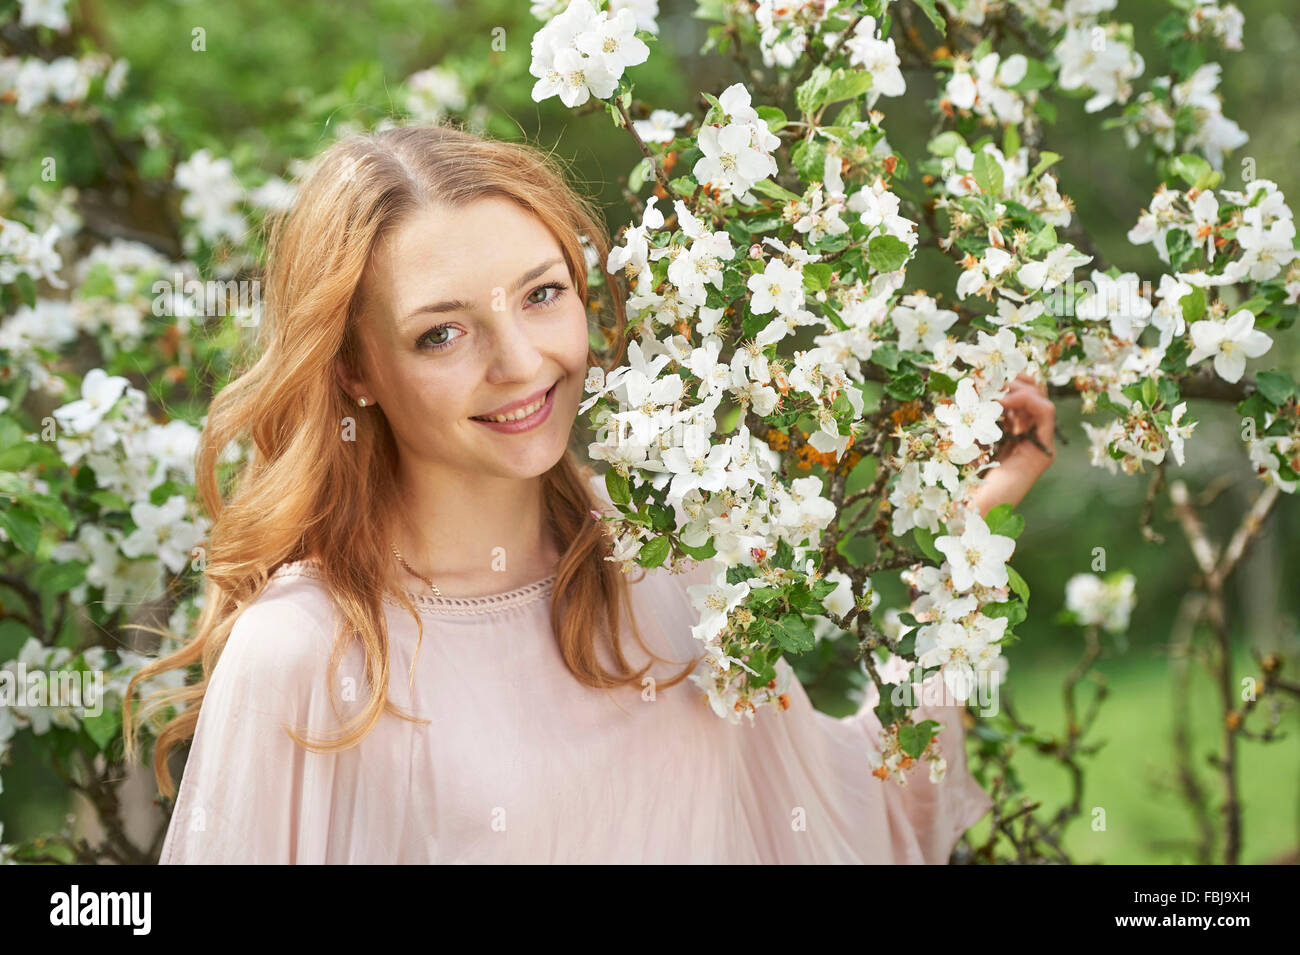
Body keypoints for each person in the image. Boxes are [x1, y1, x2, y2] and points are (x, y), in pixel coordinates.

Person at [125, 121, 1056, 864]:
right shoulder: (304, 652)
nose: (523, 364)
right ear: (357, 368)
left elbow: (868, 820)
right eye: (441, 335)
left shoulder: (671, 559)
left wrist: (967, 542)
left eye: (540, 295)